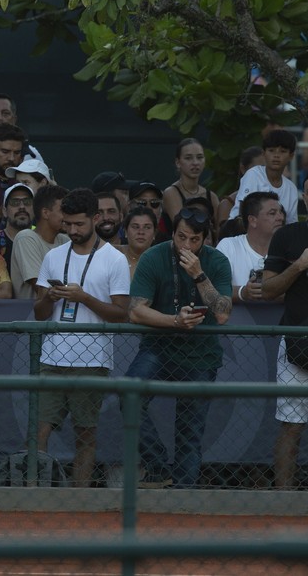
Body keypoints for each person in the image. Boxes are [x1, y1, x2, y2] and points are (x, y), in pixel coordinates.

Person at [126, 208, 232, 488]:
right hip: (158, 346)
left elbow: (222, 314)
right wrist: (175, 321)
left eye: (194, 239)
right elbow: (136, 311)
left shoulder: (217, 260)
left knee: (189, 429)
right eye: (180, 237)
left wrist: (199, 275)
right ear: (171, 234)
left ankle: (183, 495)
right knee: (129, 397)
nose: (186, 245)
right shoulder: (154, 256)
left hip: (200, 353)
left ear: (205, 240)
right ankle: (158, 467)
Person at [33, 189, 130, 487]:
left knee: (86, 434)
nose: (72, 230)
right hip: (52, 356)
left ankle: (80, 500)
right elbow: (39, 313)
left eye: (79, 224)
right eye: (68, 224)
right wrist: (49, 296)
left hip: (93, 360)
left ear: (96, 219)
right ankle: (31, 495)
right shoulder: (53, 256)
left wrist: (83, 297)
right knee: (38, 431)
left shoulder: (115, 259)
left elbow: (120, 314)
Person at [261, 178, 308, 488]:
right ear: (305, 196)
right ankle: (283, 504)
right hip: (296, 344)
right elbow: (267, 289)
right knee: (291, 427)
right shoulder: (287, 236)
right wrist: (299, 266)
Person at [216, 191, 284, 305]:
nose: (280, 217)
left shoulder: (290, 248)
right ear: (253, 220)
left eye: (281, 212)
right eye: (272, 213)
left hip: (283, 321)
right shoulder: (228, 246)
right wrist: (242, 292)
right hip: (237, 321)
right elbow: (213, 289)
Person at [10, 184, 71, 299]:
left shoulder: (65, 240)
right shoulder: (26, 238)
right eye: (63, 210)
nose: (68, 216)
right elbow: (42, 288)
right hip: (31, 314)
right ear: (45, 213)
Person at [229, 129, 299, 225]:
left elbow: (291, 224)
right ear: (264, 153)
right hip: (240, 232)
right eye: (271, 150)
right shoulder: (253, 175)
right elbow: (244, 212)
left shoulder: (291, 188)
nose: (276, 155)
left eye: (283, 151)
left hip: (275, 238)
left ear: (291, 156)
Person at [162, 138, 220, 228]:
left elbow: (220, 232)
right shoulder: (171, 193)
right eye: (188, 158)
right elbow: (183, 228)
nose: (195, 162)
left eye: (200, 157)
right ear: (178, 162)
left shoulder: (212, 197)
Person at [0, 182, 34, 273]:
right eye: (15, 202)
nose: (22, 207)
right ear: (4, 211)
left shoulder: (42, 240)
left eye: (27, 202)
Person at [216, 146, 264, 229]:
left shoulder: (275, 201)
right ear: (243, 169)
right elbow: (222, 237)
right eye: (256, 170)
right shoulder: (228, 204)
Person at [116, 207, 158, 279]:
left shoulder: (162, 261)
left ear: (154, 234)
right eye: (135, 227)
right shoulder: (113, 253)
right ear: (125, 232)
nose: (141, 232)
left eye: (147, 227)